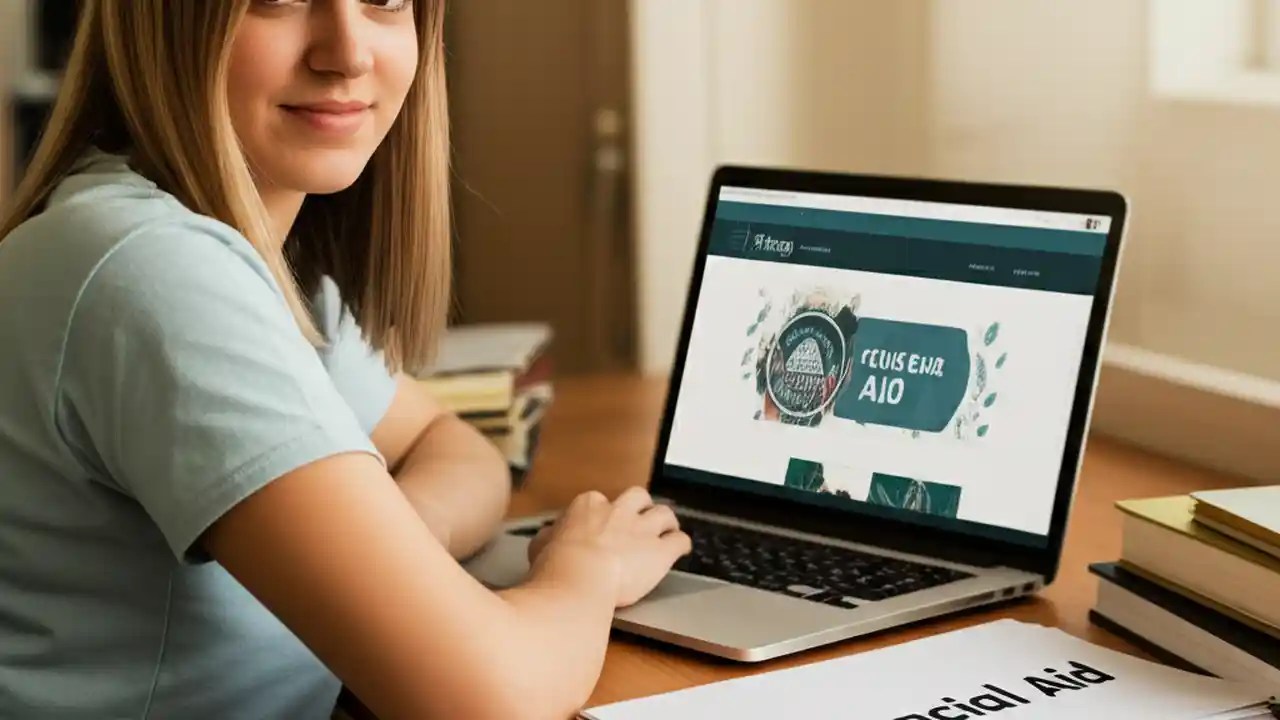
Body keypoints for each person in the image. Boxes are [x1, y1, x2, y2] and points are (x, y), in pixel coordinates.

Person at [0, 1, 691, 718]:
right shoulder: (151, 272)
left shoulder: (249, 262)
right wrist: (589, 565)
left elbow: (453, 442)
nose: (348, 54)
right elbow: (491, 704)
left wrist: (382, 547)